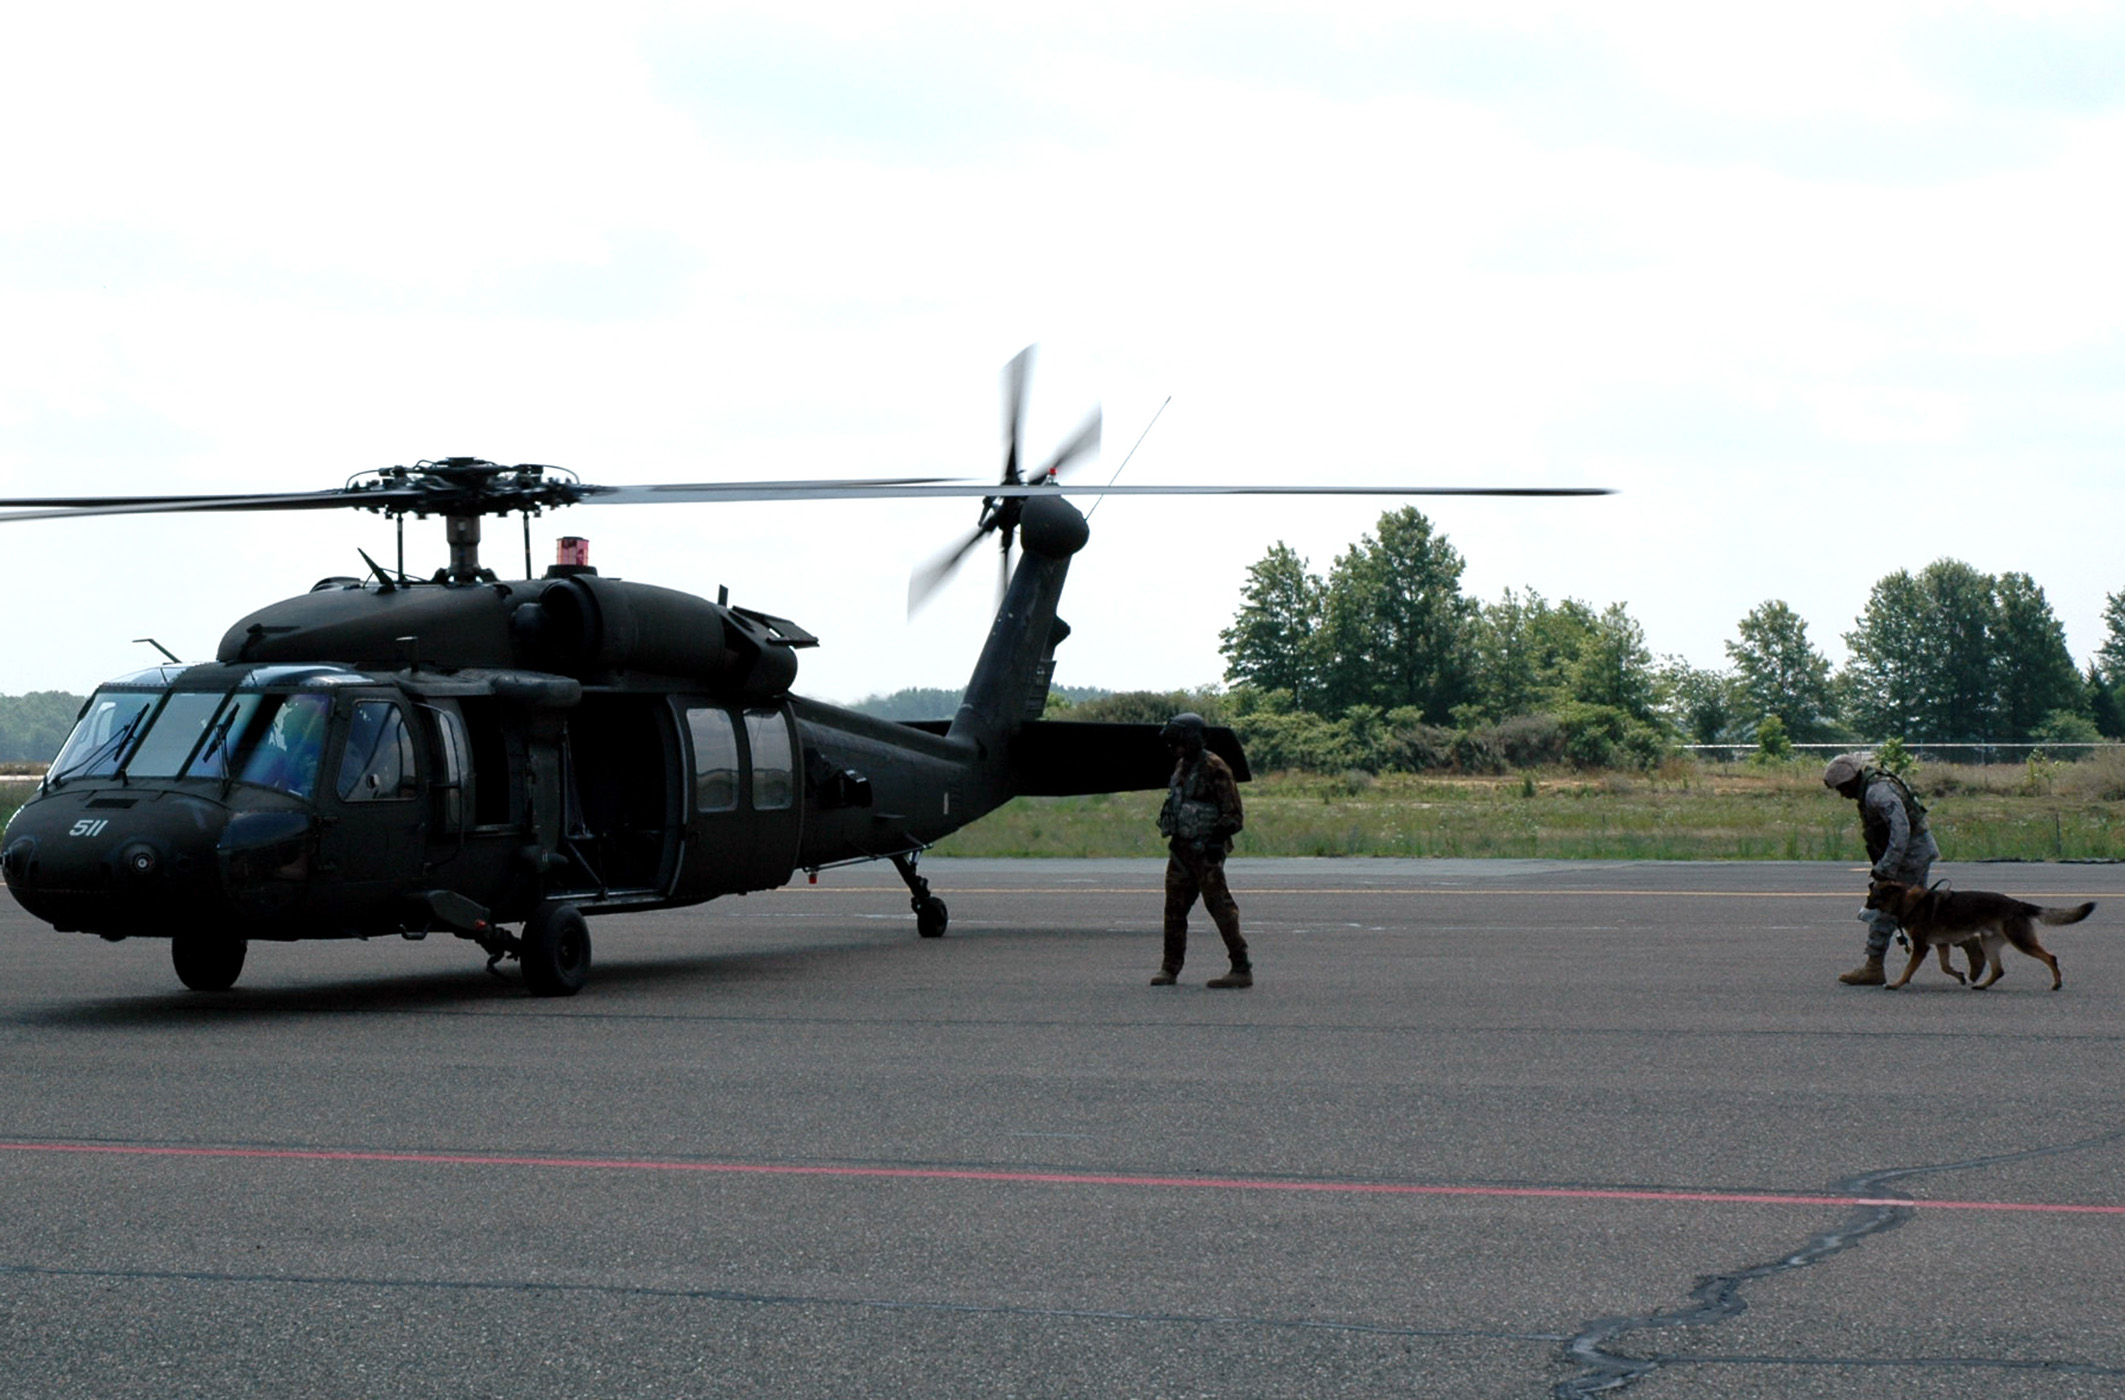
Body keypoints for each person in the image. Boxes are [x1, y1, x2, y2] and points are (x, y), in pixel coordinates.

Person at [1822, 752, 1977, 986]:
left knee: (1886, 908)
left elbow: (1901, 828)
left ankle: (1873, 966)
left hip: (1909, 856)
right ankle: (1965, 940)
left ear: (1853, 779)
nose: (1843, 795)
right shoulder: (1872, 789)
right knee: (1921, 914)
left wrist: (1887, 868)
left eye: (1842, 788)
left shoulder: (1878, 793)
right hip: (1909, 854)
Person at [1151, 713, 1251, 988]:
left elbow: (1233, 815)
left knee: (1220, 908)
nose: (1174, 748)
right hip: (1182, 851)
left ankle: (1241, 967)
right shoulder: (1182, 766)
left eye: (1179, 741)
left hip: (1205, 852)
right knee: (1174, 910)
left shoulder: (1215, 767)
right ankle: (1169, 968)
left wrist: (1215, 843)